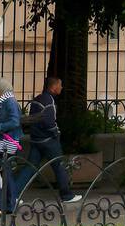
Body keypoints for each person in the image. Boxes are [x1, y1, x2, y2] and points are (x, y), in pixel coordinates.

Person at [22, 76, 81, 204]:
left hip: (36, 139)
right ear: (54, 87)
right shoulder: (49, 101)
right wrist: (56, 132)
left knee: (30, 168)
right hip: (48, 140)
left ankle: (14, 194)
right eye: (60, 85)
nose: (61, 87)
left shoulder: (37, 99)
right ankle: (66, 195)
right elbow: (49, 121)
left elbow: (33, 119)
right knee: (60, 166)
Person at [0, 76, 22, 213]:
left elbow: (14, 122)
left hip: (8, 142)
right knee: (5, 173)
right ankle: (8, 204)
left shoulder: (9, 101)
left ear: (0, 89)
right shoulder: (2, 101)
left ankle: (11, 204)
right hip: (3, 142)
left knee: (6, 173)